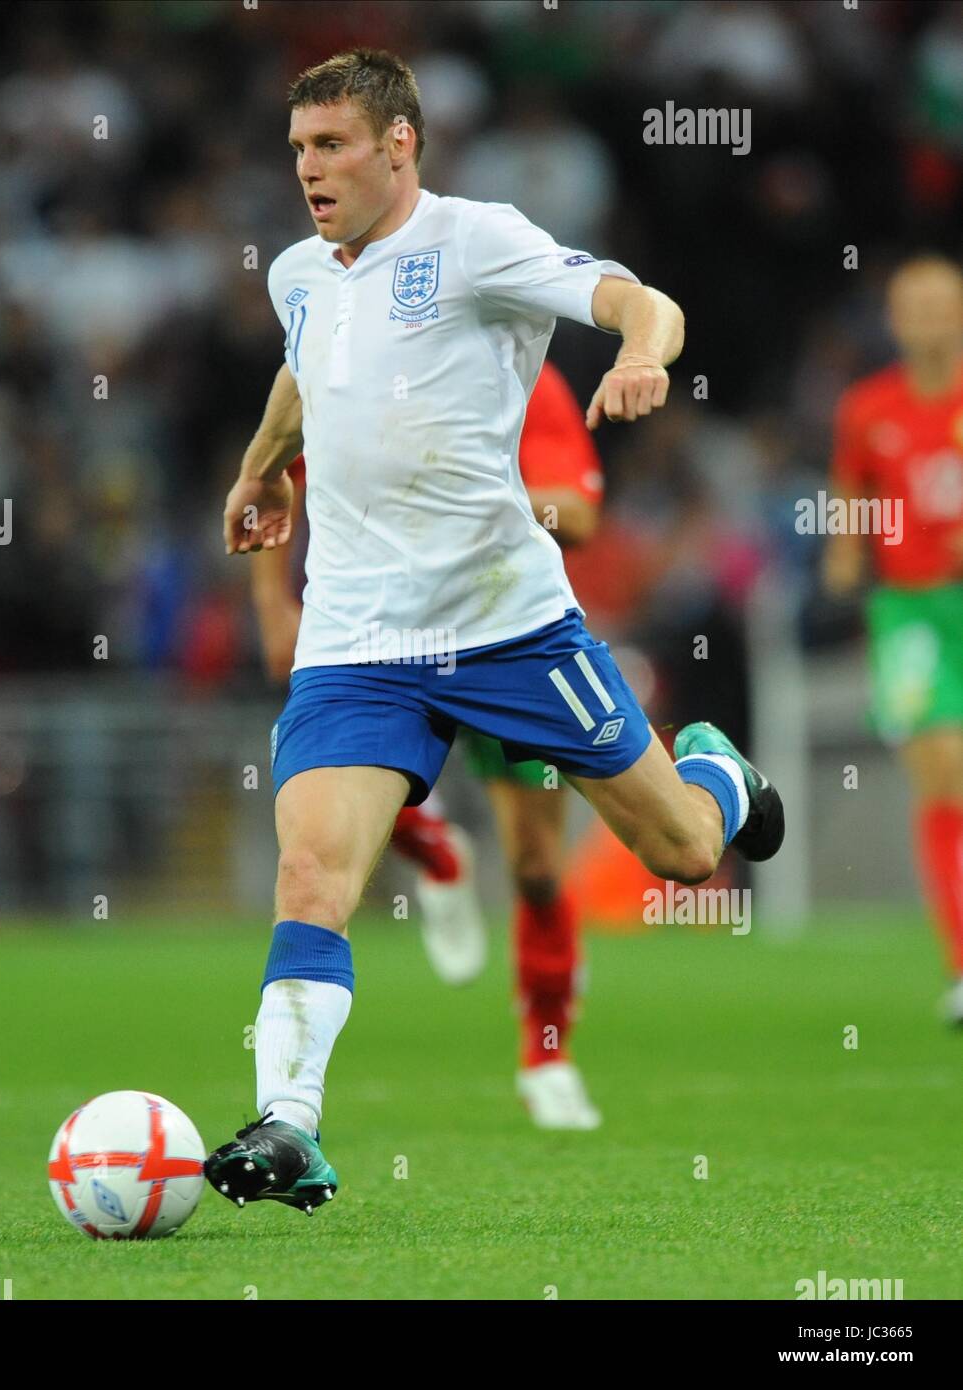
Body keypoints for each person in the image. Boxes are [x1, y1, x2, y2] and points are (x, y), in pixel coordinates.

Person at [207, 48, 784, 1216]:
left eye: (332, 147)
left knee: (680, 852)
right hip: (357, 639)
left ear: (400, 143)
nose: (309, 171)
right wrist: (263, 469)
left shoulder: (479, 240)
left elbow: (640, 299)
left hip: (509, 629)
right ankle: (289, 1125)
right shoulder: (298, 275)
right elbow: (301, 372)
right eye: (299, 150)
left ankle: (715, 770)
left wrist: (638, 353)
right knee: (313, 868)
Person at [250, 360, 605, 1129]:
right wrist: (273, 606)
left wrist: (455, 500)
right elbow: (273, 473)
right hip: (379, 640)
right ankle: (439, 853)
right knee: (328, 812)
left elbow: (575, 514)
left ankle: (548, 1054)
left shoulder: (524, 377)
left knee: (540, 868)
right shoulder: (355, 352)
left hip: (505, 637)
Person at [824, 255, 963, 1022]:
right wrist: (844, 554)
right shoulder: (868, 408)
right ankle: (960, 962)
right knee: (941, 772)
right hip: (910, 613)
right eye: (913, 304)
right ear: (895, 318)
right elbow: (852, 493)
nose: (928, 318)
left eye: (942, 303)